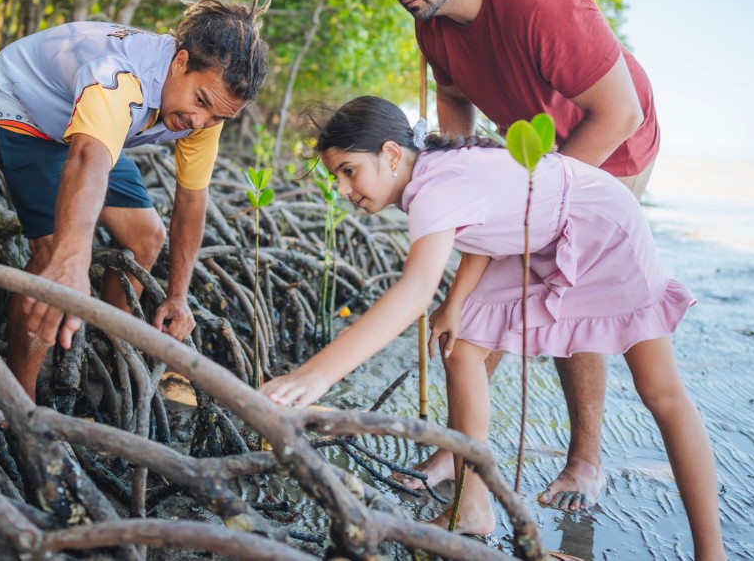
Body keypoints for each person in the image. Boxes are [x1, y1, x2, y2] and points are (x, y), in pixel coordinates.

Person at [261, 98, 724, 559]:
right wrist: (455, 302)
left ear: (392, 154)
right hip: (534, 238)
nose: (342, 189)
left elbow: (414, 291)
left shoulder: (433, 188)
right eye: (335, 177)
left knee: (659, 391)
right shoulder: (428, 176)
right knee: (462, 349)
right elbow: (488, 229)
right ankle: (473, 506)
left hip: (602, 228)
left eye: (348, 170)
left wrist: (314, 377)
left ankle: (711, 552)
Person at [350, 0, 661, 510]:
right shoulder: (430, 20)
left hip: (613, 143)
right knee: (482, 288)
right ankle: (458, 449)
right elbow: (453, 96)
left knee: (568, 287)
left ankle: (584, 463)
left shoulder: (544, 3)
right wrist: (460, 173)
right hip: (530, 150)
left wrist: (537, 201)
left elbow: (620, 113)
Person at [0, 0, 269, 399]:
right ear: (180, 63)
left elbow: (191, 199)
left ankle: (110, 342)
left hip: (90, 129)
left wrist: (178, 296)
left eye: (218, 116)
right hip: (26, 112)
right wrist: (73, 259)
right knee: (52, 259)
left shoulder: (209, 107)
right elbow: (85, 159)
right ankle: (16, 401)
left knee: (145, 236)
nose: (200, 122)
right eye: (200, 102)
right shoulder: (120, 79)